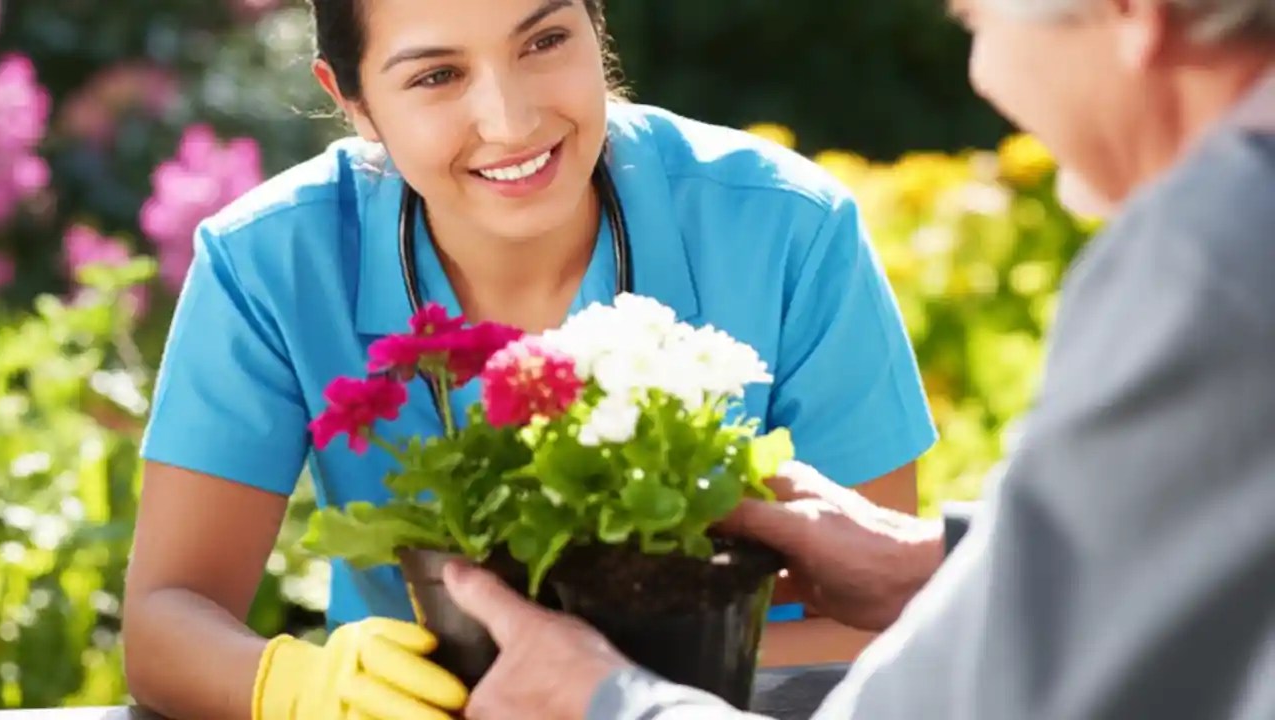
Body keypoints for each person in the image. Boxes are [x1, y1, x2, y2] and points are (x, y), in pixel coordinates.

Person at [438, 0, 1275, 718]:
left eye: (977, 21)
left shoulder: (1213, 262)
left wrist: (607, 700)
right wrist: (931, 564)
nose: (982, 75)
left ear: (1131, 13)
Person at [119, 0, 938, 718]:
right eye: (436, 76)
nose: (510, 122)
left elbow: (887, 613)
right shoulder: (268, 260)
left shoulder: (788, 227)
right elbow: (165, 624)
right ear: (353, 100)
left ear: (596, 24)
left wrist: (607, 690)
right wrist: (298, 690)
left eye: (544, 41)